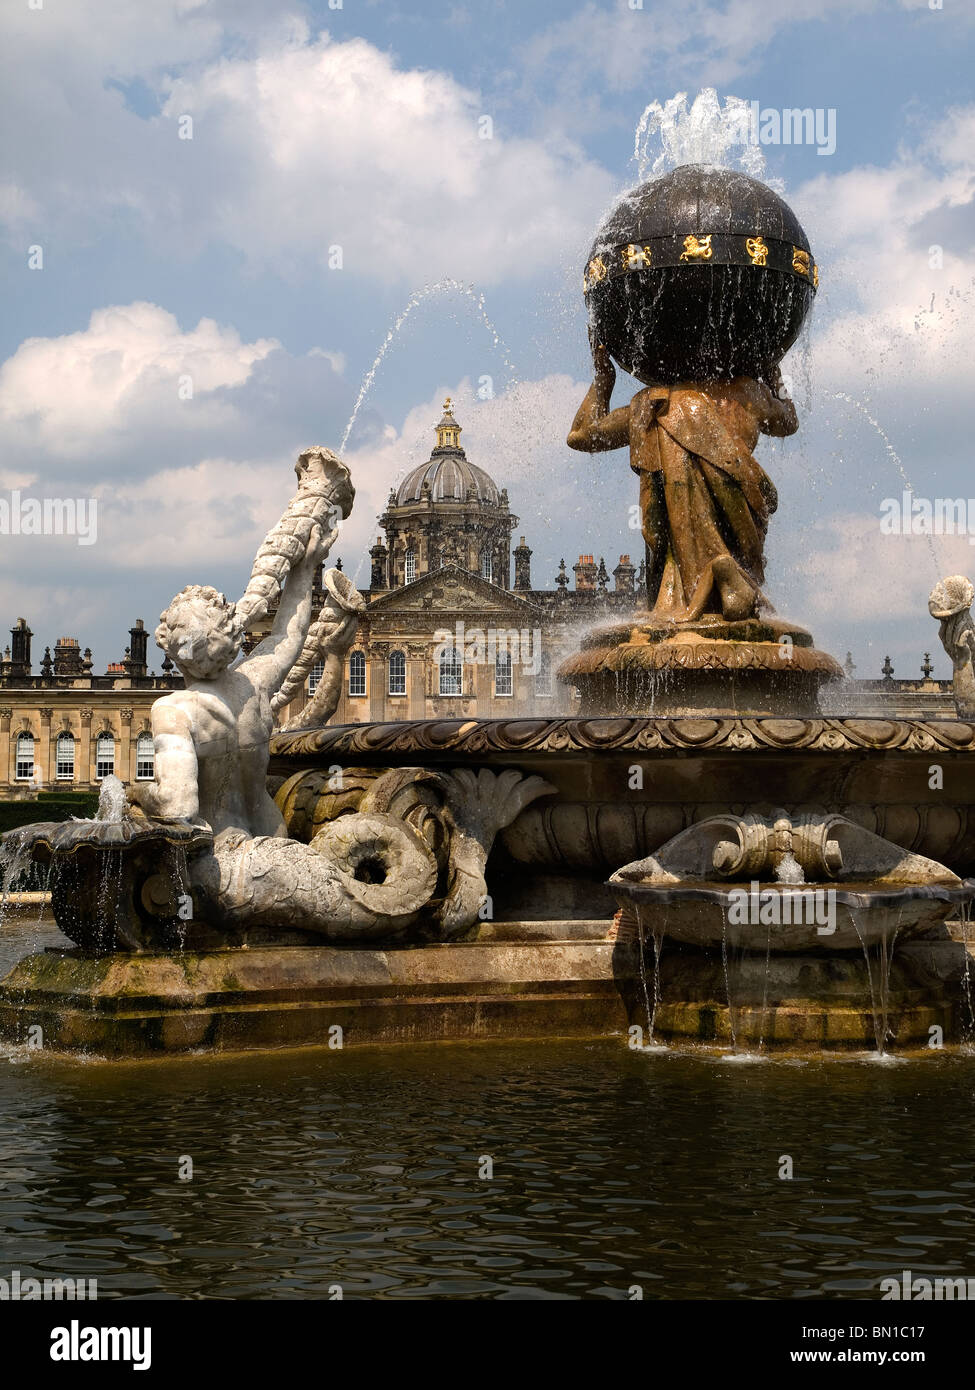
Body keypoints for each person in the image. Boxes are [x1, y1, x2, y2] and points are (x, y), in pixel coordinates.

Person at [567, 339, 798, 624]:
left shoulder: (653, 404)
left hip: (677, 539)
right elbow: (790, 420)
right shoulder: (751, 395)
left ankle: (692, 583)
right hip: (741, 519)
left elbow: (581, 434)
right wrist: (778, 379)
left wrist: (604, 378)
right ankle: (728, 574)